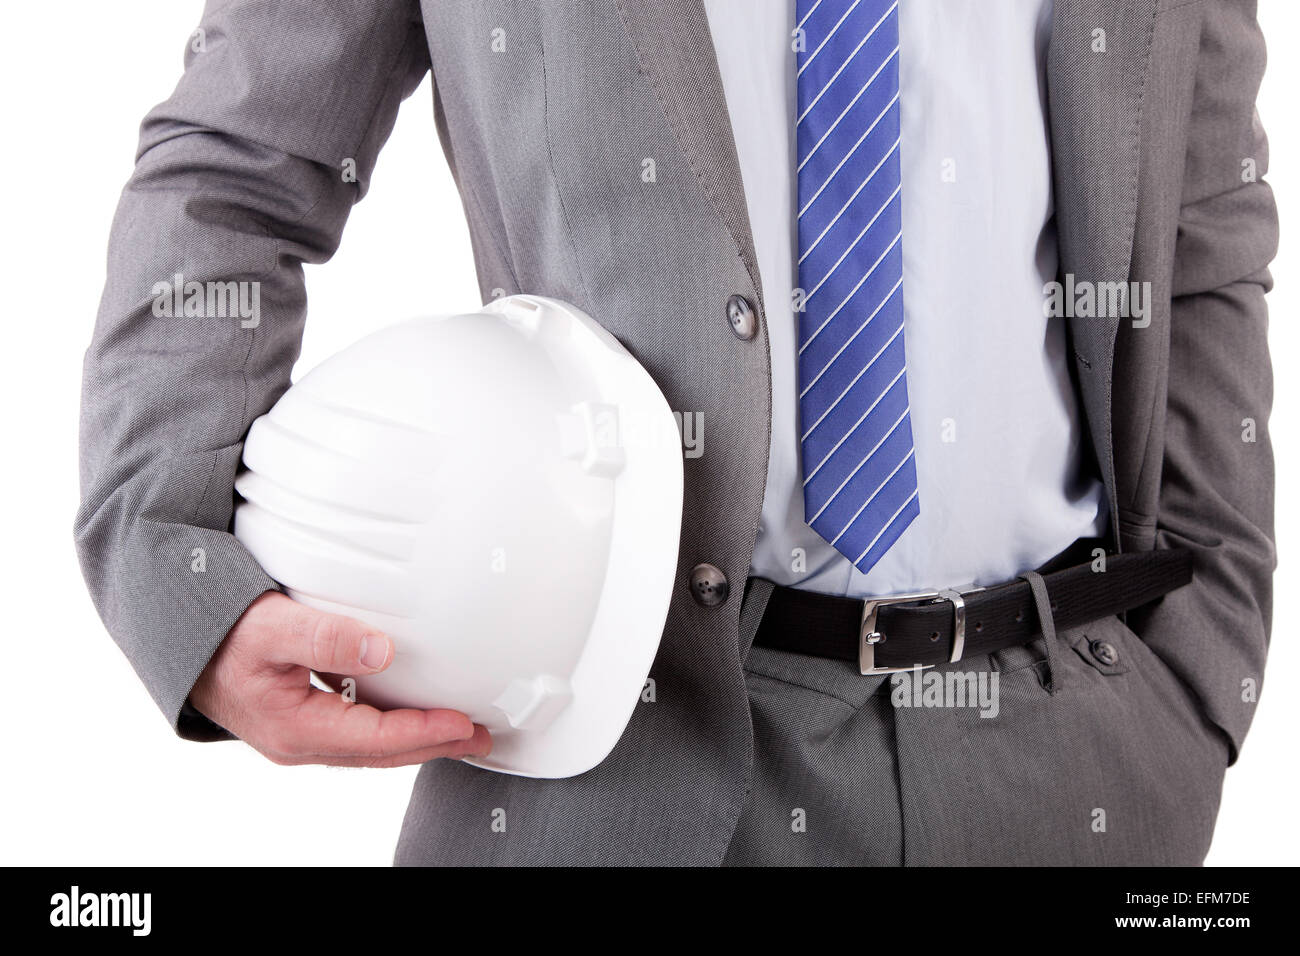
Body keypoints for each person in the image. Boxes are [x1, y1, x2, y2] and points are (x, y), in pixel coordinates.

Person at [76, 0, 1277, 865]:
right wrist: (178, 566)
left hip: (1079, 758)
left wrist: (1201, 673)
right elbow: (239, 168)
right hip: (623, 751)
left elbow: (1202, 226)